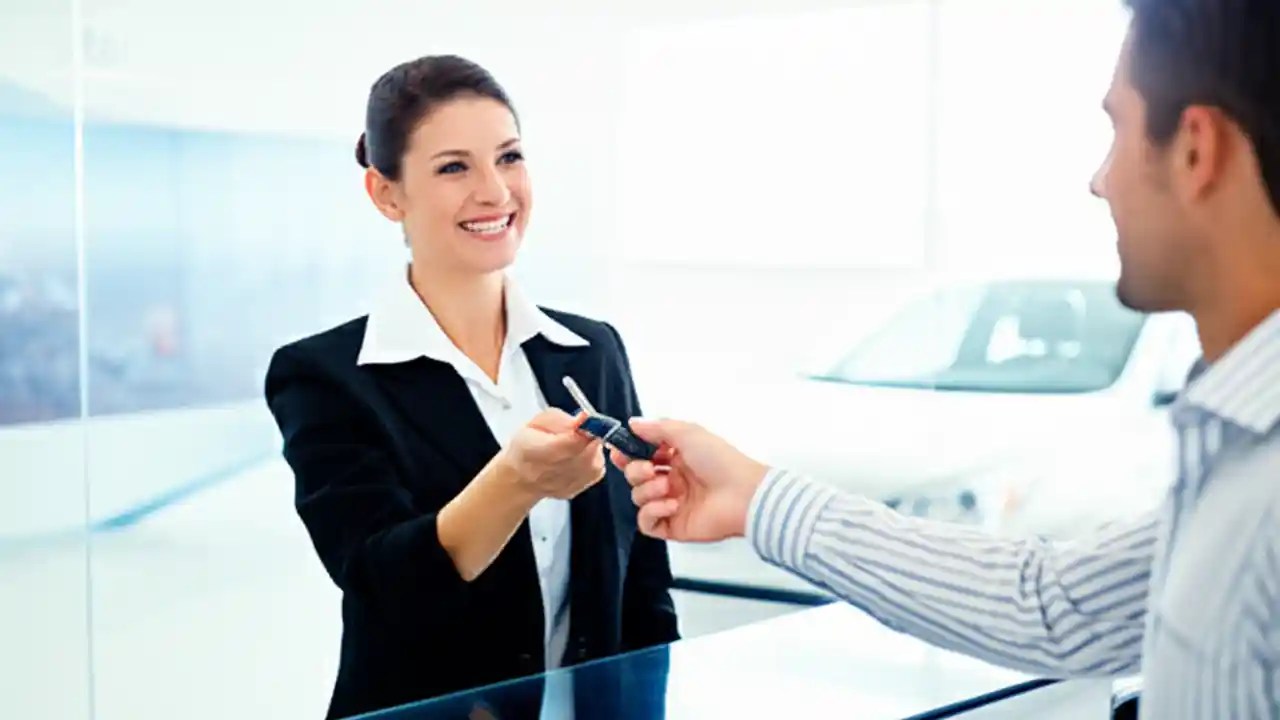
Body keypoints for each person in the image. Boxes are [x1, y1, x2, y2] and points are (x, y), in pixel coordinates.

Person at [614, 1, 1280, 718]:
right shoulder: (1232, 443)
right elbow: (1053, 606)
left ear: (1194, 150)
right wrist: (755, 496)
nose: (1101, 179)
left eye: (1117, 130)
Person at [264, 55, 678, 720]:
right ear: (386, 194)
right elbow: (380, 583)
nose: (495, 191)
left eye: (509, 157)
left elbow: (642, 585)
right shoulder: (325, 375)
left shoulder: (591, 350)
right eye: (454, 167)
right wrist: (515, 481)